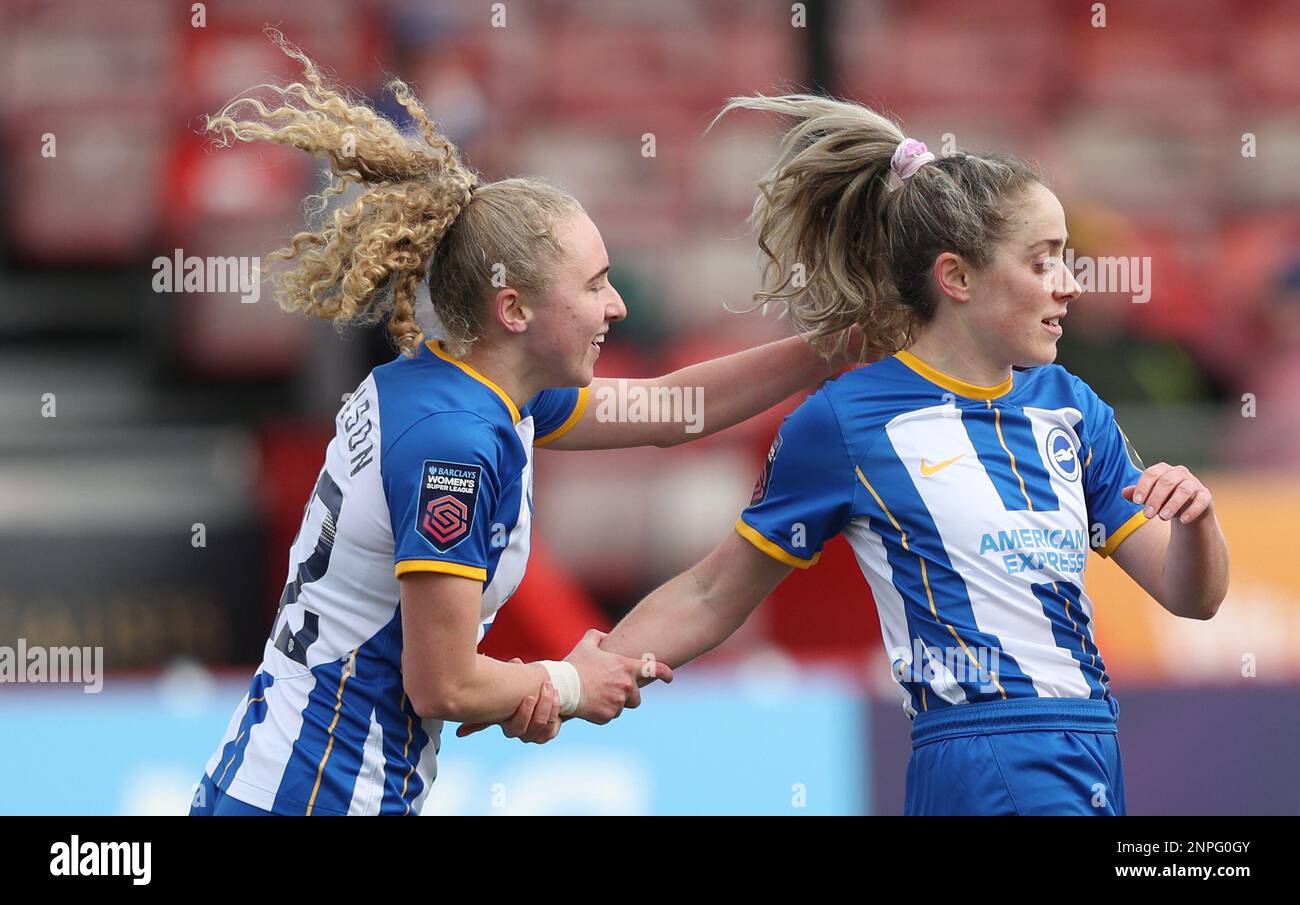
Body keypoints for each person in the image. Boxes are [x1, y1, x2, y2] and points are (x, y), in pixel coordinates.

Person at [189, 40, 852, 816]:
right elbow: (443, 681)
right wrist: (569, 683)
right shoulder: (456, 445)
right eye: (596, 285)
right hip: (315, 797)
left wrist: (830, 349)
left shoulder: (467, 386)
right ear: (516, 311)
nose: (618, 307)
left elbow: (674, 410)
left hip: (296, 783)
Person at [588, 95, 1230, 816]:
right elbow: (713, 592)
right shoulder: (848, 420)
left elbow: (1192, 596)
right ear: (956, 278)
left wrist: (1200, 522)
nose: (1070, 283)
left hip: (1090, 743)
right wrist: (580, 671)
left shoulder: (1072, 405)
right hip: (985, 751)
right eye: (1043, 260)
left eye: (1067, 260)